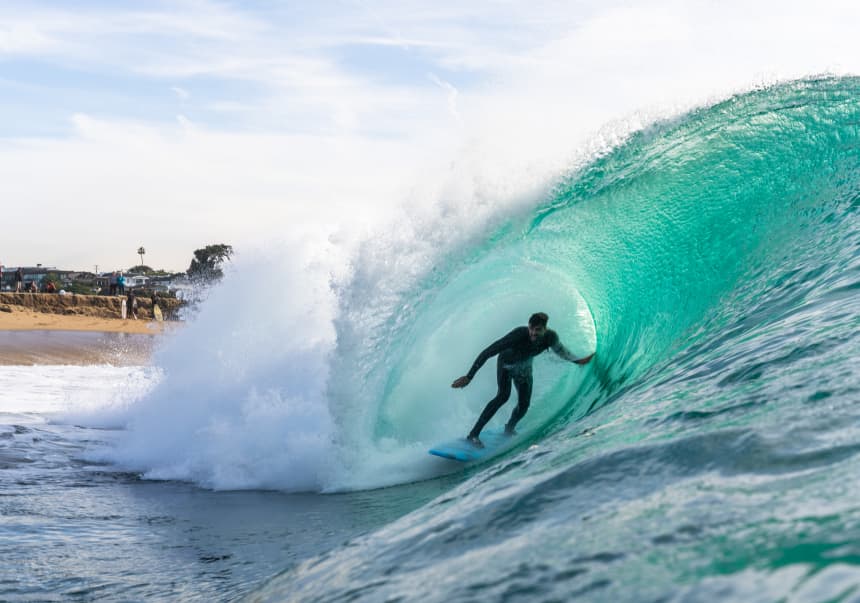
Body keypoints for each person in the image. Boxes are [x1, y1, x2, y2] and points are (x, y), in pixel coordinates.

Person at [451, 312, 594, 448]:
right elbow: (488, 352)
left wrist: (578, 361)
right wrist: (469, 376)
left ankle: (509, 429)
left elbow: (562, 352)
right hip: (506, 365)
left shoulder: (550, 337)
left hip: (524, 367)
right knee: (503, 396)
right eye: (531, 328)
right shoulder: (518, 334)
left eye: (537, 330)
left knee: (524, 405)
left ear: (545, 328)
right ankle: (473, 435)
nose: (533, 333)